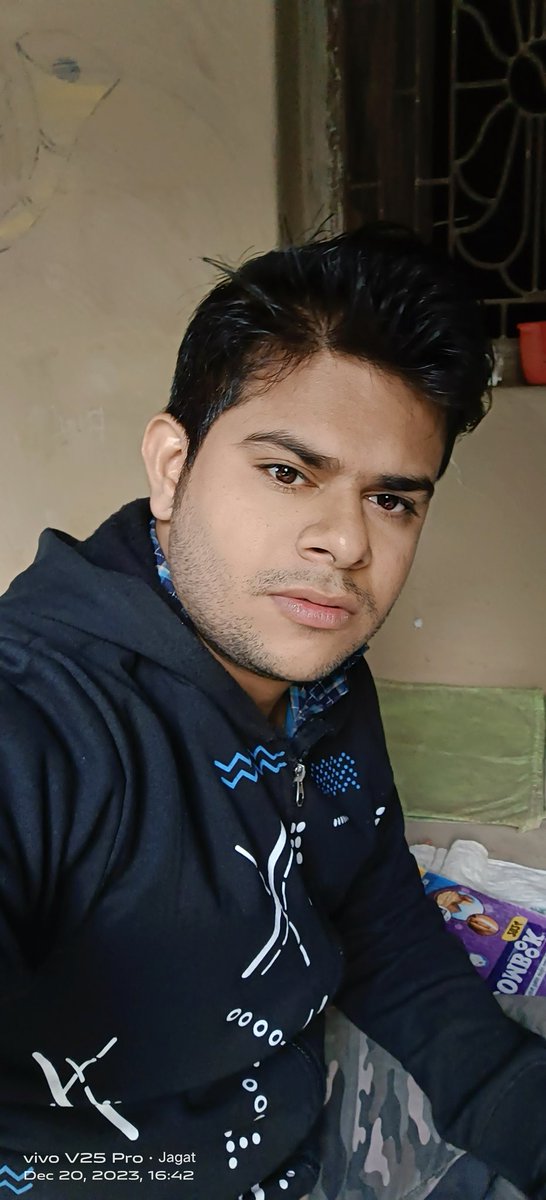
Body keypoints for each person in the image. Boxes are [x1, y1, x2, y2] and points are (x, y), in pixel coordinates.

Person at [0, 225, 544, 1200]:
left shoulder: (320, 668)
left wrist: (514, 1101)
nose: (345, 543)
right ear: (171, 465)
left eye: (392, 500)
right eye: (289, 472)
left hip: (299, 1146)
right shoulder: (44, 714)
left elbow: (374, 913)